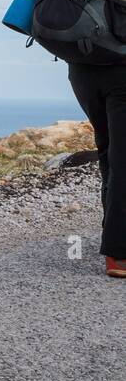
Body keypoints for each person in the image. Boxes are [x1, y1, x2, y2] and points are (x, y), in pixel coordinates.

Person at [67, 64, 126, 278]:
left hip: (82, 73)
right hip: (120, 71)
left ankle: (113, 230)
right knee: (121, 159)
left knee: (109, 148)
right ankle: (118, 251)